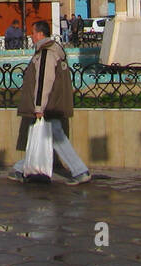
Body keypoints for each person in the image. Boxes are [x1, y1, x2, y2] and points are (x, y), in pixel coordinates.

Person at [9, 22, 90, 185]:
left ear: (40, 34)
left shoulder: (46, 53)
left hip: (48, 104)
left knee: (53, 136)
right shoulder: (53, 51)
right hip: (53, 102)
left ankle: (80, 171)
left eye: (32, 33)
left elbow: (44, 81)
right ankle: (20, 168)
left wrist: (39, 106)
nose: (31, 36)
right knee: (43, 136)